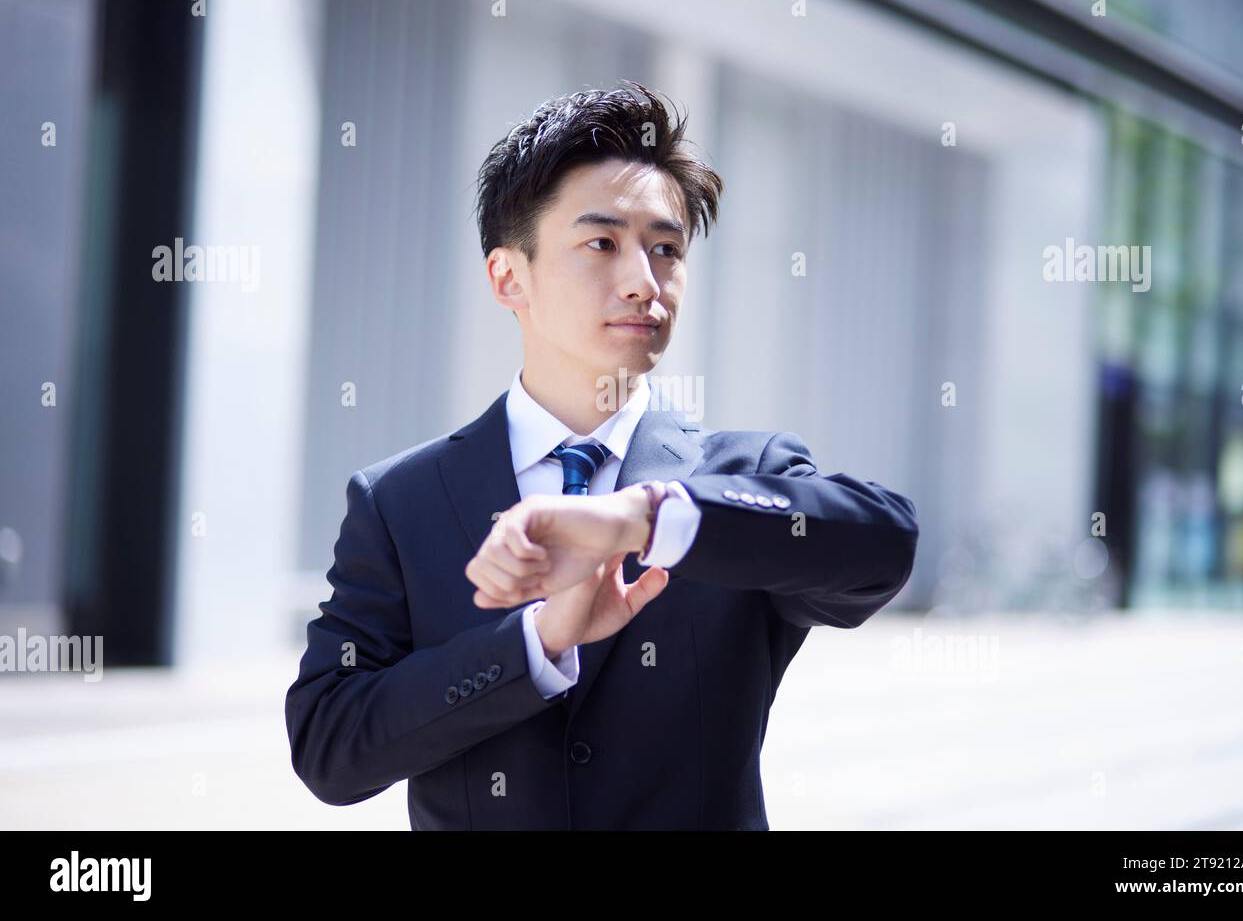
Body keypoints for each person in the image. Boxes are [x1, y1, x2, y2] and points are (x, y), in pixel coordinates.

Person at [285, 81, 919, 829]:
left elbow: (885, 542)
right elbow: (329, 745)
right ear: (508, 276)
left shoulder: (736, 481)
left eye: (666, 249)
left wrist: (647, 519)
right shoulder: (401, 501)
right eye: (602, 243)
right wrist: (535, 642)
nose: (643, 282)